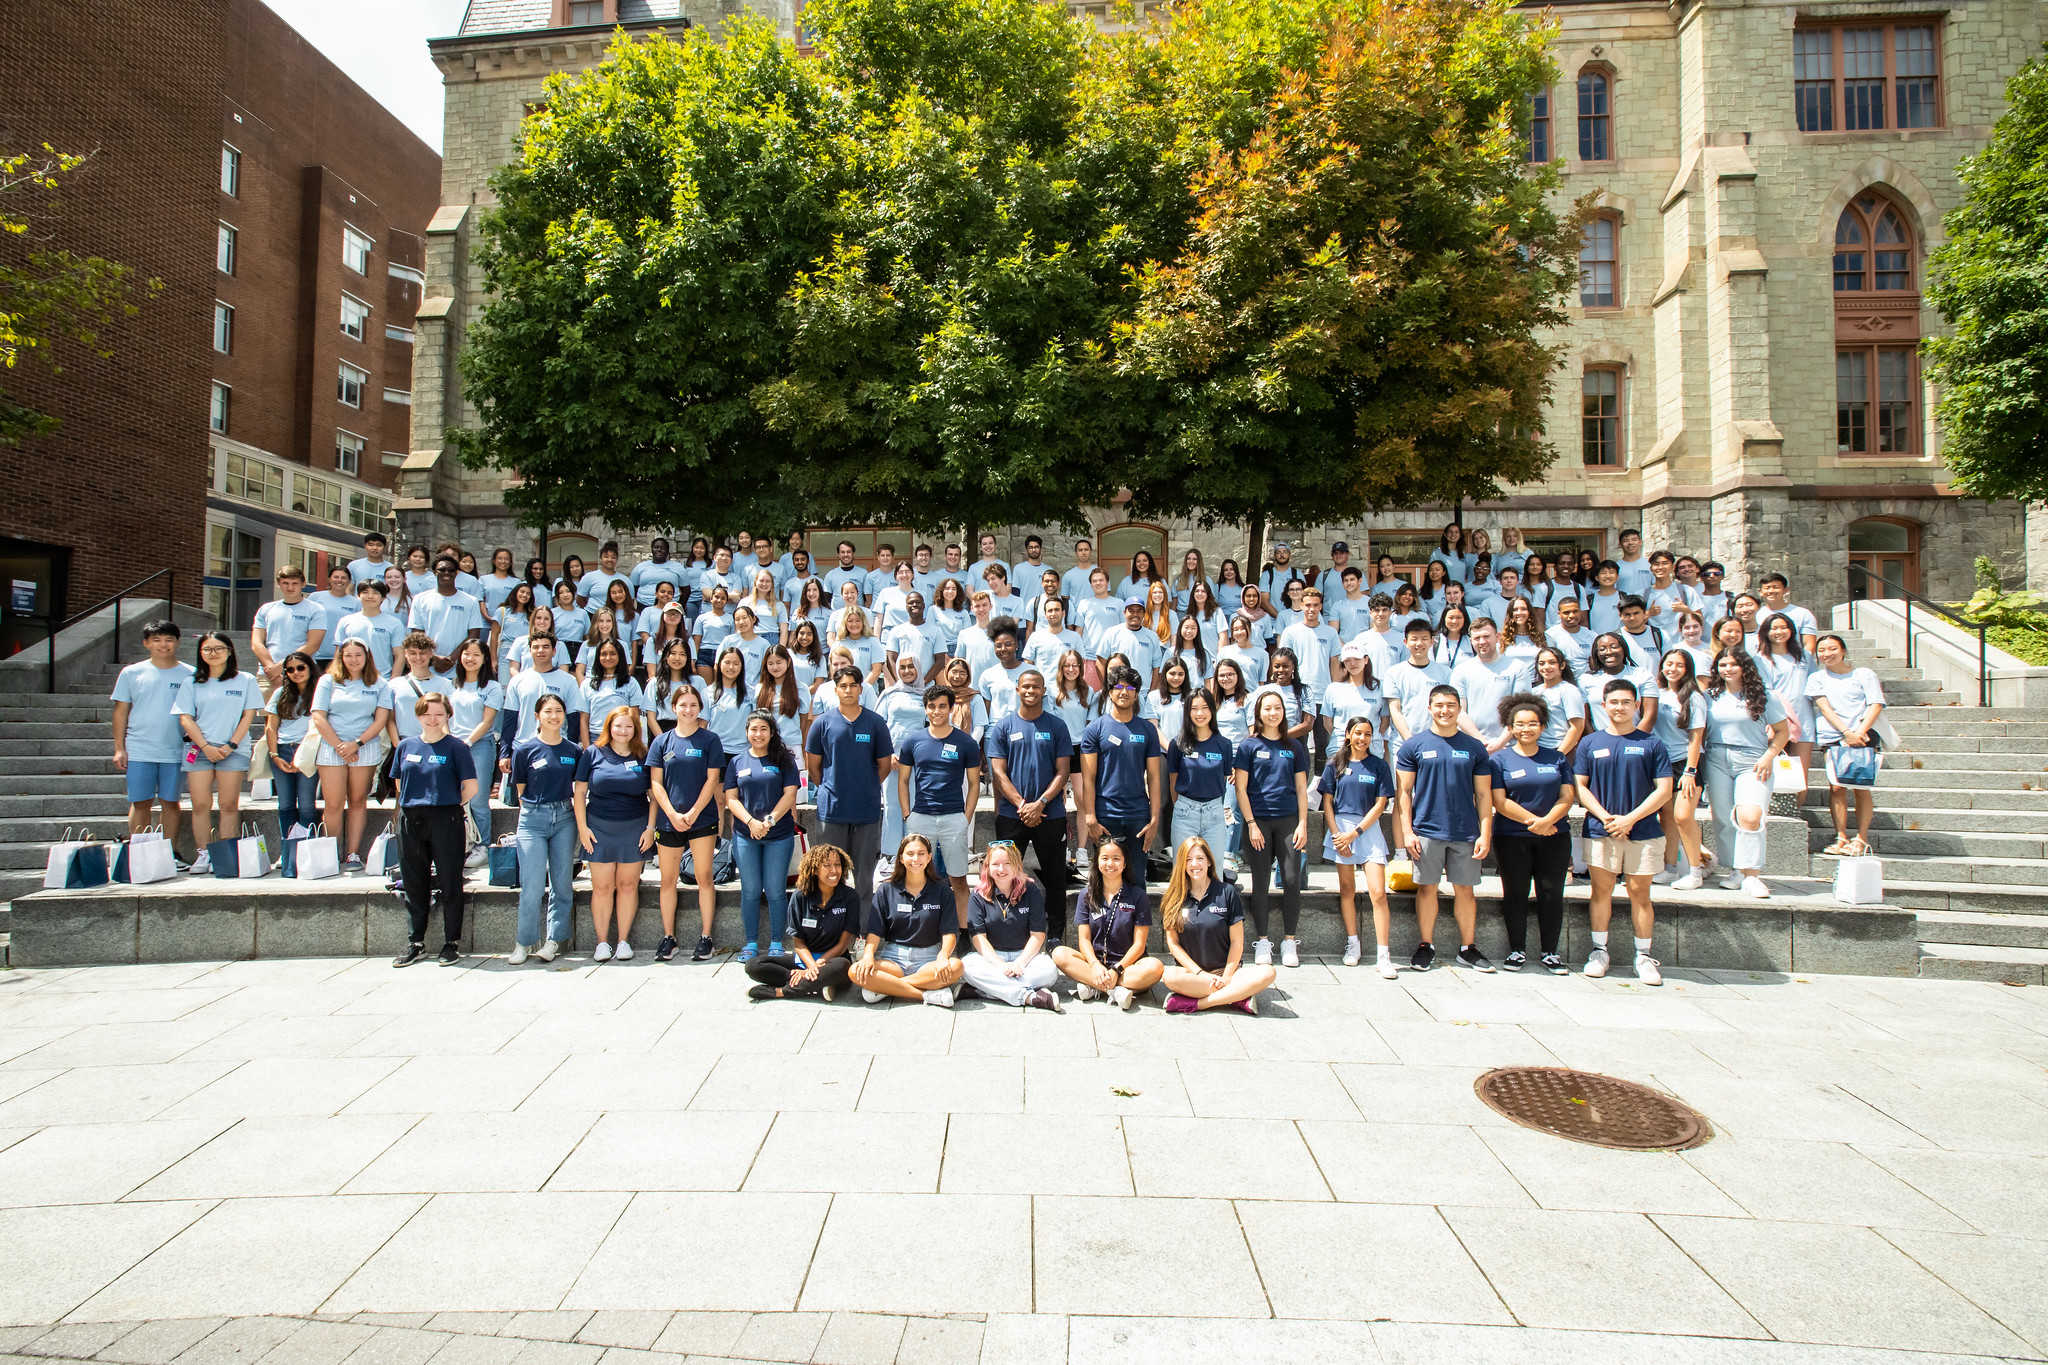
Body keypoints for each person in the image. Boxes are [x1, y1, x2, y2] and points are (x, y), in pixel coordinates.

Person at [1573, 678, 1674, 984]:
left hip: (1642, 831)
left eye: (1626, 702)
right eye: (1613, 702)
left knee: (1640, 894)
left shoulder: (1651, 743)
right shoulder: (1590, 743)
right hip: (1601, 830)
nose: (1619, 708)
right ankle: (1599, 951)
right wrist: (1607, 818)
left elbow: (1665, 789)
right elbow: (1580, 787)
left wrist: (1630, 819)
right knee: (1600, 891)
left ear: (1636, 705)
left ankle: (1643, 956)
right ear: (1603, 706)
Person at [1394, 685, 1494, 973]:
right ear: (1429, 708)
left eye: (1451, 705)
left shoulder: (1474, 748)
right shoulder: (1414, 745)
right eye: (1439, 705)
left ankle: (1468, 949)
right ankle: (1426, 946)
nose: (1445, 710)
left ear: (1459, 709)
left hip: (1465, 831)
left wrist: (1485, 833)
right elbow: (1404, 793)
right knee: (1427, 889)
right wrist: (1408, 833)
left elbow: (1484, 795)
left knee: (1466, 891)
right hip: (1426, 830)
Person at [389, 694, 478, 967]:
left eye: (439, 714)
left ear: (447, 716)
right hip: (411, 820)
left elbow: (471, 787)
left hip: (445, 819)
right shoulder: (405, 746)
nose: (433, 719)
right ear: (418, 716)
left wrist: (446, 805)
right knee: (414, 882)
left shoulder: (456, 747)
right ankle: (415, 943)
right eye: (427, 714)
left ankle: (451, 943)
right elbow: (398, 783)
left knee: (451, 882)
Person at [1486, 695, 1573, 973]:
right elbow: (1500, 802)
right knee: (1515, 893)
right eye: (1519, 724)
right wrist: (1536, 822)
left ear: (1543, 726)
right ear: (1510, 728)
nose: (1526, 729)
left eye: (1533, 723)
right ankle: (1517, 951)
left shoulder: (1557, 758)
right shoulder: (1499, 760)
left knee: (1551, 894)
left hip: (1555, 836)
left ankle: (1550, 953)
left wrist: (1548, 822)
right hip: (1512, 837)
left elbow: (1567, 796)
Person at [985, 668, 1075, 938]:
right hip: (1013, 816)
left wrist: (1041, 803)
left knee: (1056, 879)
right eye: (1025, 686)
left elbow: (1063, 771)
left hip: (1051, 814)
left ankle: (1055, 936)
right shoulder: (1003, 726)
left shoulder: (1057, 726)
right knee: (1004, 876)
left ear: (1044, 690)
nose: (1030, 691)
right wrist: (1023, 805)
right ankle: (1008, 933)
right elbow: (998, 772)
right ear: (1017, 689)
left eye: (1036, 687)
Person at [646, 681, 725, 962]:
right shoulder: (661, 742)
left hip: (701, 818)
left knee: (704, 877)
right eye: (683, 705)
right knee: (668, 880)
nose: (688, 709)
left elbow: (712, 779)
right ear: (674, 708)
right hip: (669, 822)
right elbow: (656, 783)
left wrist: (692, 813)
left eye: (693, 705)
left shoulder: (710, 740)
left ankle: (706, 938)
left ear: (699, 708)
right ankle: (669, 938)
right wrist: (672, 814)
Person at [172, 631, 263, 874]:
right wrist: (205, 746)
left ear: (230, 651)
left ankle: (226, 853)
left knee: (228, 804)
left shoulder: (244, 680)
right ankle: (203, 854)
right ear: (200, 653)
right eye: (207, 649)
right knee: (200, 804)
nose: (213, 653)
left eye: (219, 648)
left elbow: (248, 715)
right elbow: (186, 718)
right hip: (199, 749)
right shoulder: (191, 682)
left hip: (233, 750)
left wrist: (230, 745)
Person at [1234, 687, 1310, 967]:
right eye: (1267, 708)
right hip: (1259, 822)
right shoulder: (1248, 746)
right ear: (1259, 713)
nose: (1273, 713)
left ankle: (1289, 941)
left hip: (1289, 820)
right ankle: (1263, 940)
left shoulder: (1294, 747)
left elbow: (1302, 787)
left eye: (1277, 708)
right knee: (1261, 881)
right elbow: (1241, 789)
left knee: (1291, 881)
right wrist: (1251, 824)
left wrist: (1303, 823)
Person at [1158, 836, 1274, 1013]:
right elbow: (1173, 944)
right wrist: (1200, 974)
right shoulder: (1173, 897)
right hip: (1193, 975)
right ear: (1181, 864)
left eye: (1199, 858)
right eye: (1188, 859)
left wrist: (1227, 977)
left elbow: (1237, 942)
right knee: (1169, 977)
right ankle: (1236, 997)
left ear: (1210, 862)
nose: (1194, 864)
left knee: (1268, 972)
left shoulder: (1226, 892)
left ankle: (1197, 1003)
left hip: (1228, 972)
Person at [112, 620, 196, 863]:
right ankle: (139, 854)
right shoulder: (131, 672)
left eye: (169, 639)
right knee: (140, 803)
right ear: (146, 643)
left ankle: (169, 854)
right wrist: (120, 748)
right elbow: (120, 711)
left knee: (171, 802)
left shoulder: (189, 674)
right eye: (157, 640)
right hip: (140, 749)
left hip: (175, 750)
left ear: (178, 643)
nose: (163, 644)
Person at [576, 704, 654, 961]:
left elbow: (654, 796)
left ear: (635, 730)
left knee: (628, 885)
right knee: (602, 887)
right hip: (598, 827)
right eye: (618, 725)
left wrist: (650, 829)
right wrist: (583, 829)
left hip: (634, 827)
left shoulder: (644, 755)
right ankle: (601, 943)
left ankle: (623, 941)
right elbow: (579, 794)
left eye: (628, 726)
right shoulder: (593, 753)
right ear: (609, 726)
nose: (623, 730)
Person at [1319, 715, 1396, 975]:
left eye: (1367, 734)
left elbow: (1381, 804)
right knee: (1347, 890)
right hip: (1340, 830)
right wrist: (1337, 835)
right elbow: (1327, 803)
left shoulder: (1379, 766)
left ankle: (1383, 954)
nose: (1362, 738)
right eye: (1358, 732)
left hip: (1368, 829)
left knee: (1378, 893)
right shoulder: (1335, 764)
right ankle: (1353, 944)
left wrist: (1356, 832)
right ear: (1349, 735)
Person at [896, 684, 982, 915]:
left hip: (953, 818)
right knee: (916, 878)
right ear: (925, 709)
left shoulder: (966, 743)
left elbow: (974, 784)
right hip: (920, 817)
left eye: (942, 706)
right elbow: (903, 781)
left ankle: (962, 932)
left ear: (951, 708)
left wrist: (966, 818)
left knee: (959, 880)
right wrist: (907, 815)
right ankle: (921, 927)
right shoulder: (913, 741)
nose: (936, 711)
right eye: (931, 706)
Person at [851, 833, 965, 1007]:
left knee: (956, 966)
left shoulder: (943, 890)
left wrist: (943, 956)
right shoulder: (886, 890)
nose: (915, 859)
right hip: (893, 960)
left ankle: (887, 987)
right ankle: (926, 994)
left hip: (929, 960)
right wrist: (868, 956)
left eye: (921, 853)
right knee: (855, 971)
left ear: (929, 857)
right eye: (910, 853)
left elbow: (949, 932)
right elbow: (874, 931)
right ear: (901, 858)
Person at [805, 664, 893, 886]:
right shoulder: (822, 723)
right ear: (835, 689)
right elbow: (813, 767)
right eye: (843, 686)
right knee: (829, 878)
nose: (848, 690)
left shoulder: (875, 723)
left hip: (866, 810)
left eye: (853, 685)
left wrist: (867, 786)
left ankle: (862, 922)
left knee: (864, 879)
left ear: (861, 689)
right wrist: (829, 788)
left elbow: (883, 766)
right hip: (832, 811)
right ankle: (831, 921)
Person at [726, 710, 801, 963]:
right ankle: (751, 942)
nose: (758, 734)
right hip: (745, 835)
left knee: (776, 890)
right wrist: (750, 822)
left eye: (763, 729)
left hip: (778, 834)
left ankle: (777, 942)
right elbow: (731, 799)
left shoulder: (784, 760)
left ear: (771, 733)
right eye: (753, 729)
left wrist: (767, 822)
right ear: (747, 732)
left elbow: (789, 795)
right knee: (750, 890)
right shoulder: (737, 762)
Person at [312, 640, 394, 872]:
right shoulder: (328, 681)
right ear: (341, 657)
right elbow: (319, 716)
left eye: (358, 655)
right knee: (333, 804)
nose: (354, 660)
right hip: (332, 746)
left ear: (367, 657)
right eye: (348, 655)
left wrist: (356, 744)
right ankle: (329, 855)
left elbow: (380, 720)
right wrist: (340, 746)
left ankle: (352, 854)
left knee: (358, 801)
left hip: (364, 747)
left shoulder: (380, 684)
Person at [1053, 839, 1163, 1008]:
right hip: (1095, 962)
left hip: (1127, 966)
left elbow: (1140, 945)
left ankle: (1096, 986)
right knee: (1059, 954)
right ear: (1096, 862)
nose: (1110, 863)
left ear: (1125, 863)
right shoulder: (1086, 895)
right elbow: (1083, 940)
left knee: (1155, 967)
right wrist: (1095, 965)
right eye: (1105, 858)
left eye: (1116, 859)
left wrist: (1117, 970)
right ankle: (1115, 990)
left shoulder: (1137, 895)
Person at [1079, 665, 1164, 875]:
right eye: (1118, 686)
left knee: (1137, 879)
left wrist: (1154, 819)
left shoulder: (1148, 730)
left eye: (1130, 688)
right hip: (1105, 814)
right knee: (1103, 878)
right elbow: (1088, 778)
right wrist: (1090, 817)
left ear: (1136, 695)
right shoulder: (1094, 729)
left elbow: (1154, 777)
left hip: (1138, 815)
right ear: (1110, 692)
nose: (1124, 692)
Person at [748, 842, 859, 1001]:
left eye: (837, 865)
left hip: (832, 961)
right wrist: (810, 967)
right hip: (803, 960)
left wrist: (818, 964)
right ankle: (813, 984)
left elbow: (842, 945)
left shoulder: (850, 897)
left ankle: (781, 991)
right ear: (814, 869)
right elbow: (798, 944)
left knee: (843, 968)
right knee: (754, 965)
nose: (834, 870)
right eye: (826, 865)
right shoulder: (800, 896)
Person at [1808, 633, 1887, 857]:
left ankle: (1861, 837)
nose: (1827, 654)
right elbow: (1825, 708)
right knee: (1836, 786)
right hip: (1833, 735)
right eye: (1822, 651)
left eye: (1832, 649)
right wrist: (1845, 732)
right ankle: (1841, 836)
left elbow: (1875, 704)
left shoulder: (1863, 674)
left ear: (1843, 650)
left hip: (1864, 736)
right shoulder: (1817, 678)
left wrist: (1858, 732)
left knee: (1861, 786)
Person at [960, 842, 1062, 1011]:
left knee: (1050, 971)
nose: (1001, 869)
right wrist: (1001, 965)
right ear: (987, 867)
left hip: (1026, 957)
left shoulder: (1031, 890)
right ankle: (1029, 997)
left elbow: (1038, 935)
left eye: (1007, 864)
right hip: (992, 958)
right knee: (967, 966)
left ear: (1016, 866)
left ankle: (986, 991)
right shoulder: (978, 895)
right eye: (996, 864)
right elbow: (979, 939)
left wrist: (1020, 964)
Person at [1650, 649, 1711, 890]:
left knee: (1683, 817)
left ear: (1688, 669)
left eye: (1679, 665)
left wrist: (1690, 771)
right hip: (1661, 763)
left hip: (1686, 762)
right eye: (1669, 664)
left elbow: (1696, 737)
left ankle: (1695, 871)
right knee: (1667, 817)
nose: (1672, 669)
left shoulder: (1693, 696)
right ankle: (1670, 868)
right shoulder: (1658, 692)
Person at [1166, 688, 1235, 860]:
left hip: (1214, 813)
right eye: (1194, 708)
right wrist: (1182, 807)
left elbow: (1223, 780)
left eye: (1205, 707)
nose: (1200, 713)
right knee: (1182, 869)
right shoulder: (1177, 744)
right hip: (1185, 813)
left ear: (1212, 709)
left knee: (1215, 868)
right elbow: (1173, 782)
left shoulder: (1224, 744)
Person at [1449, 617, 1531, 754]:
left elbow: (1521, 710)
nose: (1482, 642)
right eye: (1477, 638)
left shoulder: (1517, 667)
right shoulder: (1461, 670)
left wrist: (1500, 743)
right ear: (1471, 641)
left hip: (1510, 746)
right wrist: (1481, 741)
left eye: (1486, 636)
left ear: (1497, 637)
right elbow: (1459, 711)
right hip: (1472, 745)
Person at [1756, 612, 1817, 787]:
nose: (1779, 632)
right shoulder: (1760, 659)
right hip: (1775, 720)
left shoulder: (1805, 656)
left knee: (1800, 775)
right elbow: (1764, 691)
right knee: (1771, 770)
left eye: (1784, 627)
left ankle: (1796, 812)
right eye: (1774, 628)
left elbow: (1815, 683)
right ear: (1766, 632)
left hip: (1803, 718)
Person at [264, 651, 322, 832]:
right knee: (286, 805)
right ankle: (289, 848)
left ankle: (306, 848)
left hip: (307, 751)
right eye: (290, 670)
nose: (296, 672)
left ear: (310, 668)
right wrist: (274, 755)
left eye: (300, 667)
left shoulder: (320, 691)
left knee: (306, 804)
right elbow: (271, 727)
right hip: (282, 750)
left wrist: (301, 757)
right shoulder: (280, 693)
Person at [250, 566, 326, 686]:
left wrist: (282, 667)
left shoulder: (315, 609)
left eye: (294, 583)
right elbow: (256, 643)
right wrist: (271, 669)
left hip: (301, 674)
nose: (290, 587)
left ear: (303, 584)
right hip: (268, 675)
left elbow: (312, 645)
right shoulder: (266, 609)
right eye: (285, 583)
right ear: (278, 584)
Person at [408, 556, 487, 663]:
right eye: (442, 570)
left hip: (459, 664)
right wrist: (434, 658)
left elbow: (474, 634)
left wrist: (451, 659)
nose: (446, 573)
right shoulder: (420, 599)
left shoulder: (470, 601)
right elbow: (417, 633)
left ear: (456, 573)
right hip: (428, 663)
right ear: (434, 572)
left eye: (451, 570)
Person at [1383, 619, 1448, 743]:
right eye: (1414, 639)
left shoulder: (1445, 672)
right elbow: (1395, 710)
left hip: (1437, 740)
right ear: (1405, 642)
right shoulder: (1394, 673)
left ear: (1431, 642)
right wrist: (1409, 739)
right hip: (1402, 742)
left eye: (1424, 638)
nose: (1419, 643)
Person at [336, 578, 406, 677]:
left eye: (375, 593)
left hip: (382, 679)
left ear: (383, 598)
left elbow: (400, 656)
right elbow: (338, 654)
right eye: (365, 592)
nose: (370, 596)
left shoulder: (394, 623)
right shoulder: (346, 621)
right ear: (358, 596)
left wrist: (393, 682)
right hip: (350, 679)